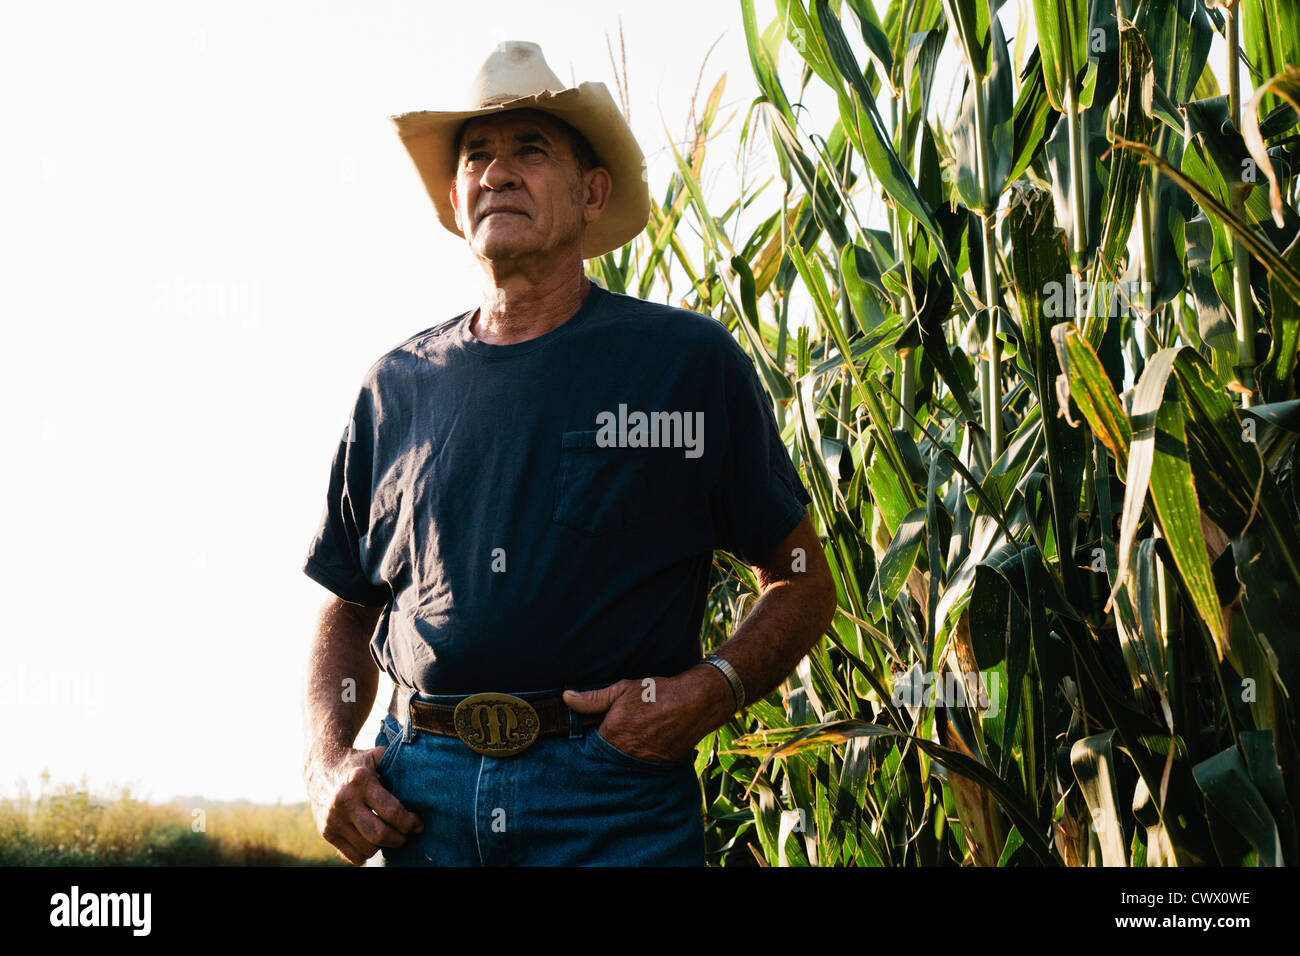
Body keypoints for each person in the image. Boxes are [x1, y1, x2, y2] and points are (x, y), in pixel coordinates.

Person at [300, 40, 837, 866]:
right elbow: (345, 605)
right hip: (422, 799)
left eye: (530, 149)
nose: (497, 171)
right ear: (455, 195)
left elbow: (801, 581)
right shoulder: (395, 387)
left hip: (612, 796)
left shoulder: (683, 364)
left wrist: (708, 691)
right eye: (477, 155)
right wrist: (327, 759)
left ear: (592, 194)